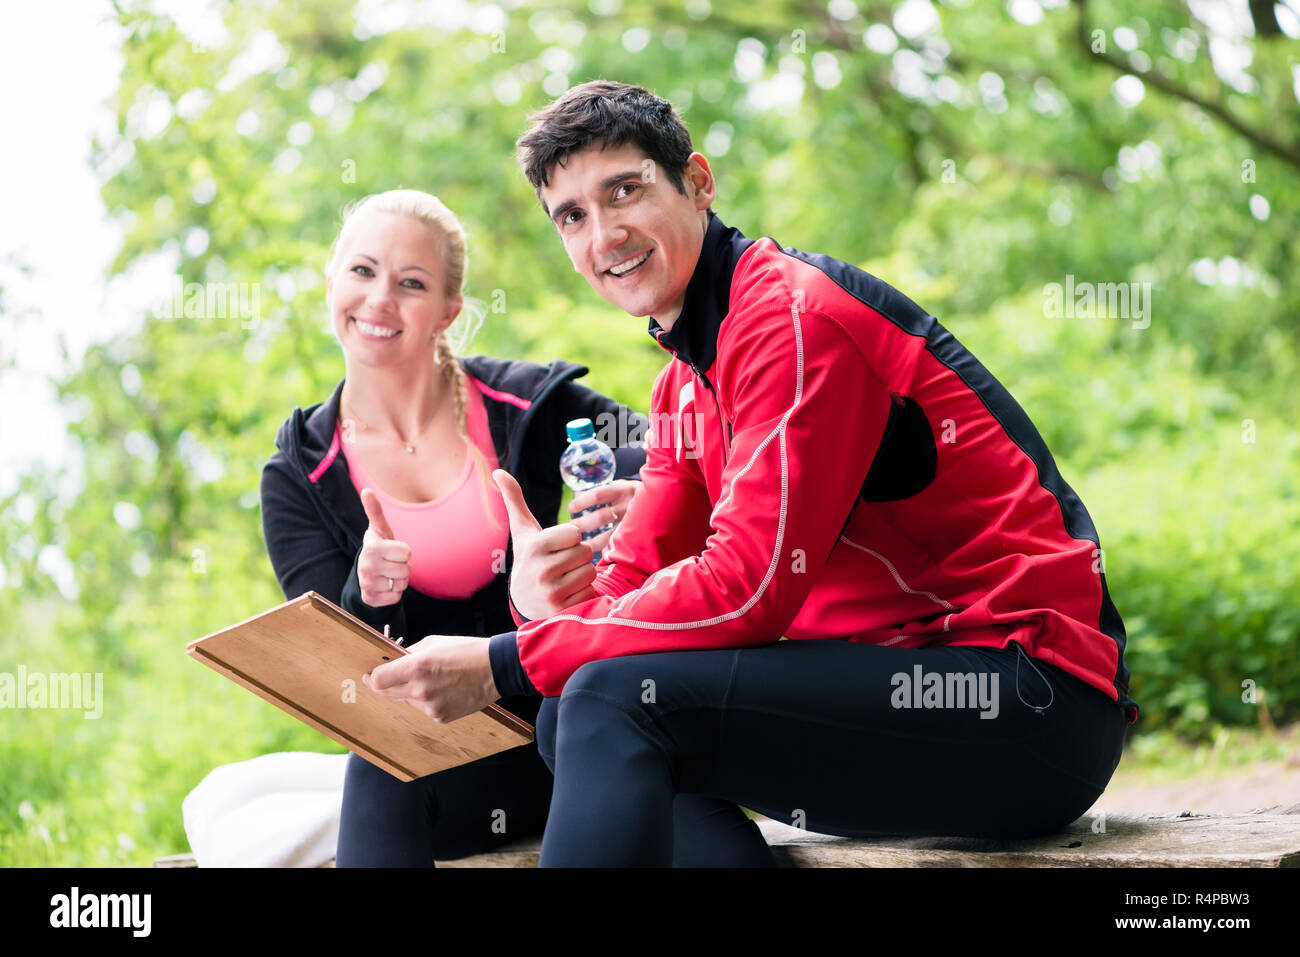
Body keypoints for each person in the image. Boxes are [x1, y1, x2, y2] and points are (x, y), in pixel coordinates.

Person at [361, 84, 1141, 867]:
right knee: (579, 703)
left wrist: (504, 662)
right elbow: (628, 583)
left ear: (697, 182)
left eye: (623, 190)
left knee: (607, 700)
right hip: (896, 697)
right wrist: (535, 609)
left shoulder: (792, 320)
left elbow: (746, 588)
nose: (604, 234)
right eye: (572, 215)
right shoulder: (684, 383)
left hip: (1026, 700)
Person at [259, 188, 655, 866]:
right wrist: (367, 595)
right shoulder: (299, 471)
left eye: (411, 283)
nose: (380, 298)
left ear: (448, 311)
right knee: (379, 756)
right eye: (361, 271)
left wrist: (619, 511)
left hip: (574, 727)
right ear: (331, 282)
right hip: (444, 770)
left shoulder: (525, 403)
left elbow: (667, 454)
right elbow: (345, 688)